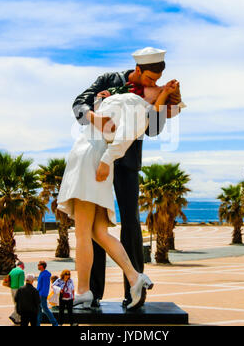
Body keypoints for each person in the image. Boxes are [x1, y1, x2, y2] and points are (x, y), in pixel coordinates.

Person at [58, 69, 183, 310]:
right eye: (150, 78)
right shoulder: (109, 80)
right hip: (97, 154)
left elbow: (153, 129)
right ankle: (93, 292)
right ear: (138, 69)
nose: (154, 82)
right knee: (96, 231)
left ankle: (132, 289)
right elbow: (79, 105)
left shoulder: (145, 100)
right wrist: (94, 115)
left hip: (122, 161)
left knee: (129, 223)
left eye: (157, 80)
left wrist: (166, 102)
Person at [37, 261, 58, 326]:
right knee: (39, 309)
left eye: (39, 265)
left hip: (42, 294)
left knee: (45, 309)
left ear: (42, 266)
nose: (37, 266)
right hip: (40, 294)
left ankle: (54, 323)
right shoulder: (42, 273)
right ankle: (38, 323)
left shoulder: (45, 274)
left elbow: (45, 285)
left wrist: (41, 294)